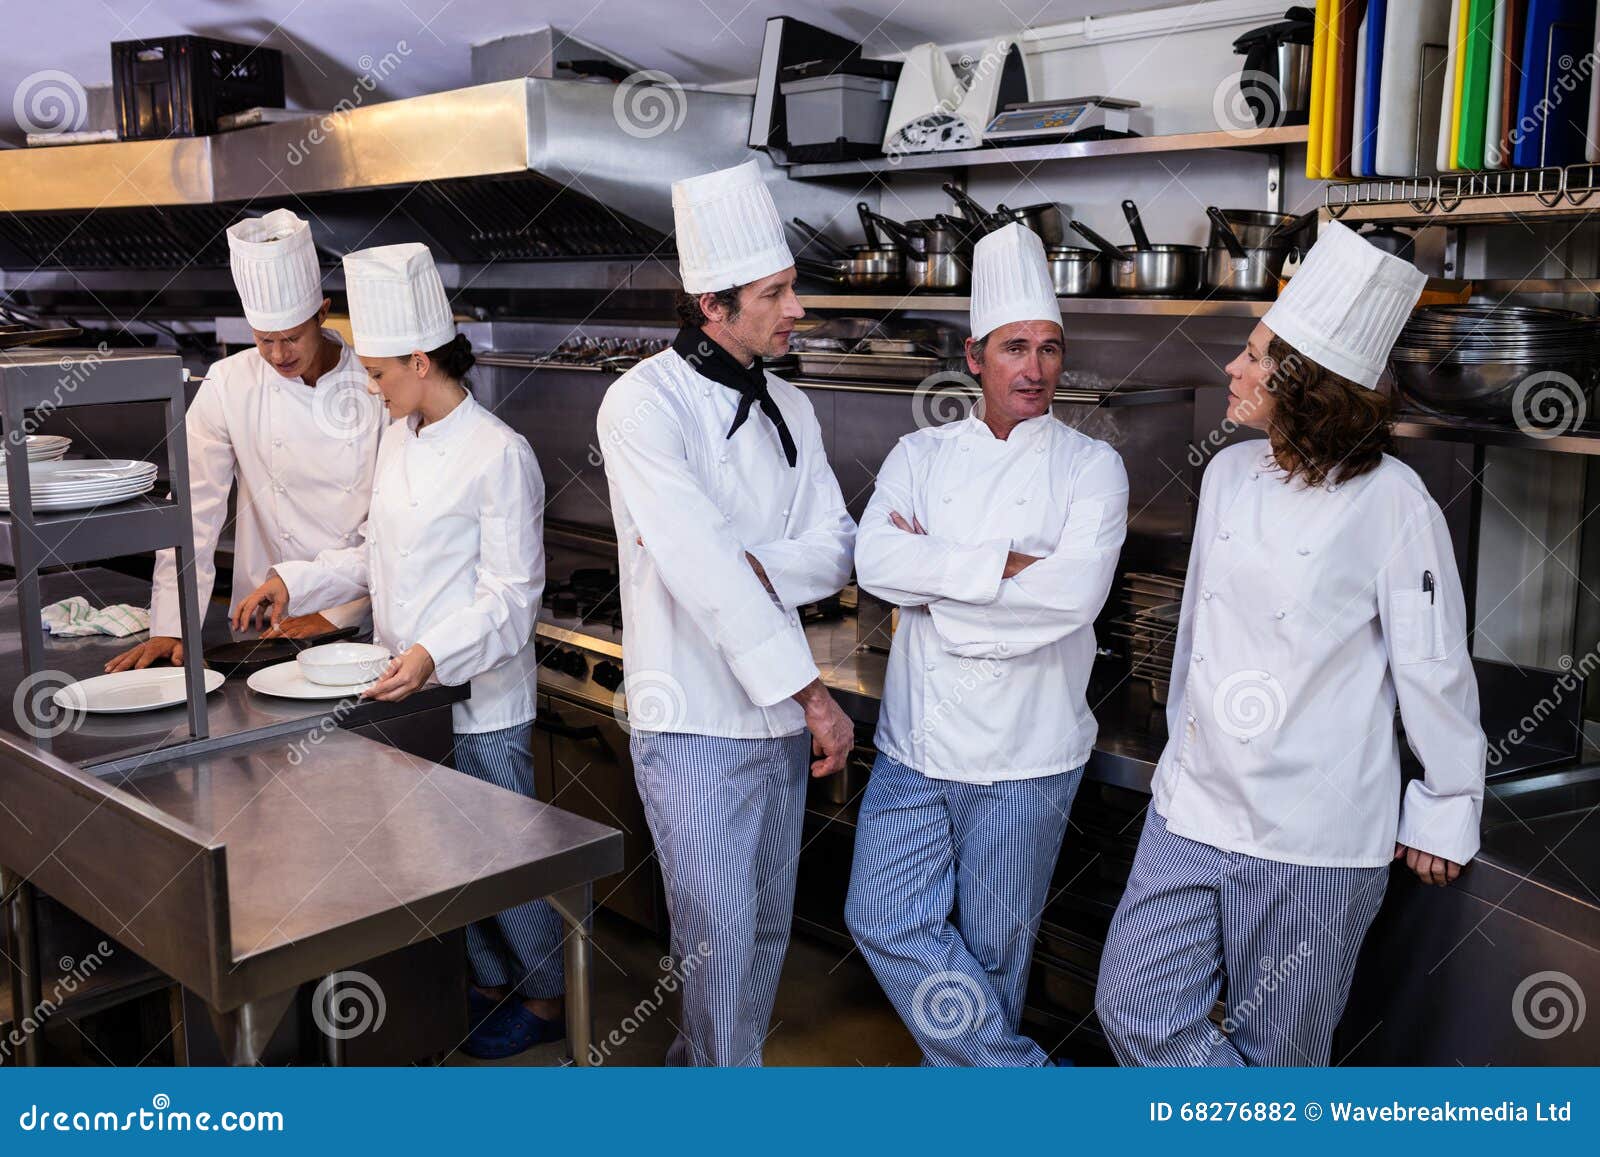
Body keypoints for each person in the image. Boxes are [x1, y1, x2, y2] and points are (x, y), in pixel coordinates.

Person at [1094, 221, 1487, 1067]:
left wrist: (1448, 802)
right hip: (1193, 805)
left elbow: (1433, 667)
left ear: (1309, 386)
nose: (1233, 368)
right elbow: (1198, 621)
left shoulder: (1395, 503)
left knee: (1281, 1052)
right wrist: (1177, 752)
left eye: (1257, 356)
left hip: (1315, 832)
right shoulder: (1229, 473)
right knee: (1133, 1006)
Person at [231, 243, 558, 1060]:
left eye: (379, 373)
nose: (369, 388)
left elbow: (512, 597)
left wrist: (429, 652)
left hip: (476, 694)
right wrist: (290, 579)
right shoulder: (401, 438)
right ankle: (484, 984)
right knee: (440, 855)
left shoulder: (499, 454)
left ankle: (551, 995)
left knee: (499, 856)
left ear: (421, 359)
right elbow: (375, 553)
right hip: (403, 692)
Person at [846, 223, 1129, 1066]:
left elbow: (1072, 597)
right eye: (1015, 348)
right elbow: (875, 561)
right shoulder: (919, 452)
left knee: (995, 959)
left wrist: (937, 592)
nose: (1036, 368)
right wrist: (1003, 571)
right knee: (883, 917)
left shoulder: (1092, 466)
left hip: (1028, 755)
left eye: (1049, 348)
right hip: (917, 746)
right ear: (975, 357)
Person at [595, 158, 857, 1066]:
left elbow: (836, 544)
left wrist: (759, 563)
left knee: (762, 942)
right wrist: (814, 692)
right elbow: (699, 568)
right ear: (713, 303)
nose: (798, 310)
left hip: (775, 720)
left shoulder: (791, 402)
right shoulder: (640, 403)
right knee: (714, 951)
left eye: (794, 288)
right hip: (696, 717)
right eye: (777, 293)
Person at [107, 209, 383, 673]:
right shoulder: (228, 382)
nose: (278, 354)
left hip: (355, 620)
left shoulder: (376, 384)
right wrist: (171, 625)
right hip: (262, 626)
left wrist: (330, 611)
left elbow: (391, 532)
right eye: (263, 339)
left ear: (322, 313)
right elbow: (193, 511)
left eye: (292, 338)